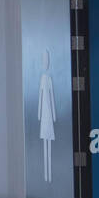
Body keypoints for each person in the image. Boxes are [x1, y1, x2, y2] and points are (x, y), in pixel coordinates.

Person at [38, 49, 56, 183]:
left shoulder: (49, 79)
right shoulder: (42, 78)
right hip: (44, 114)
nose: (46, 63)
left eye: (47, 60)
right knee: (45, 141)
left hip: (48, 113)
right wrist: (39, 114)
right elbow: (40, 97)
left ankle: (49, 175)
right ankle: (45, 175)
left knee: (49, 141)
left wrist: (54, 115)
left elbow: (52, 97)